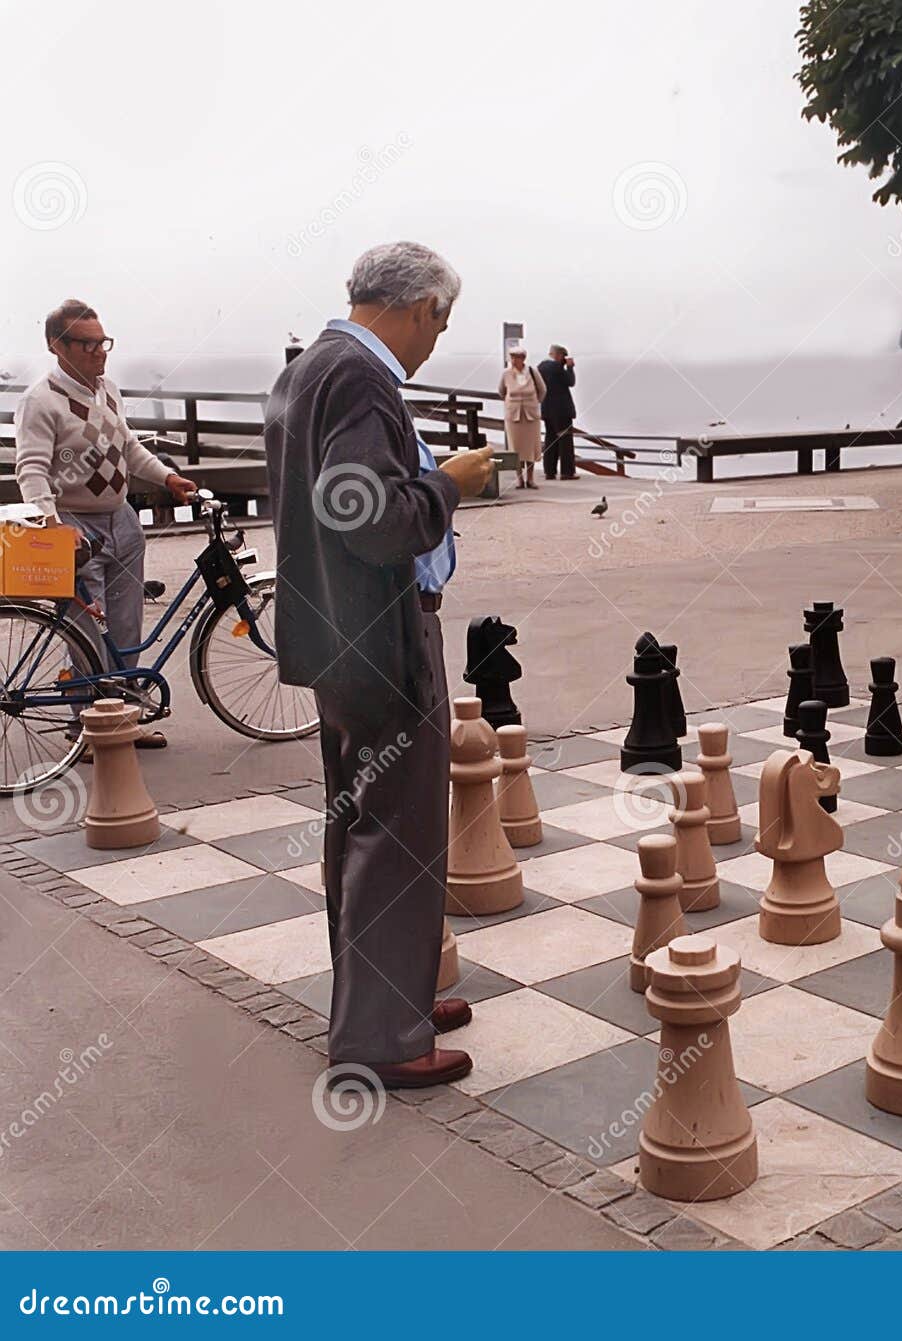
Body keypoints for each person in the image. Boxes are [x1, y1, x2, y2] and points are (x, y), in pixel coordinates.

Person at [265, 241, 496, 1090]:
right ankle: (382, 1038)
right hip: (380, 635)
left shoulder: (307, 369)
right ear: (421, 307)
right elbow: (364, 515)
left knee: (362, 823)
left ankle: (387, 998)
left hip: (335, 635)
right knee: (398, 830)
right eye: (442, 321)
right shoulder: (363, 378)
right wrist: (450, 485)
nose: (437, 339)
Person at [13, 299, 199, 750]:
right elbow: (31, 470)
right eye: (88, 344)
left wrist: (167, 477)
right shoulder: (40, 400)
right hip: (74, 523)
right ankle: (86, 729)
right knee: (86, 633)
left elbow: (128, 447)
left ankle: (124, 720)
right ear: (57, 346)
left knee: (126, 626)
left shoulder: (107, 390)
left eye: (103, 342)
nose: (100, 352)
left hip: (122, 519)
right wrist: (53, 525)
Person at [498, 344, 546, 489]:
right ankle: (519, 479)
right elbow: (501, 391)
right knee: (516, 448)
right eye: (512, 357)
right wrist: (511, 403)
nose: (513, 360)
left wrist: (535, 403)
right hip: (514, 416)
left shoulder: (532, 371)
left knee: (530, 448)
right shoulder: (506, 374)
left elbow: (542, 390)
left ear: (523, 358)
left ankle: (530, 478)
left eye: (516, 357)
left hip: (531, 416)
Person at [537, 343, 577, 480]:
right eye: (564, 356)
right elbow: (570, 382)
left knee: (550, 439)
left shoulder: (541, 367)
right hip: (562, 410)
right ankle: (567, 472)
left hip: (547, 409)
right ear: (559, 355)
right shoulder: (558, 368)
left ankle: (549, 471)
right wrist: (569, 367)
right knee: (565, 441)